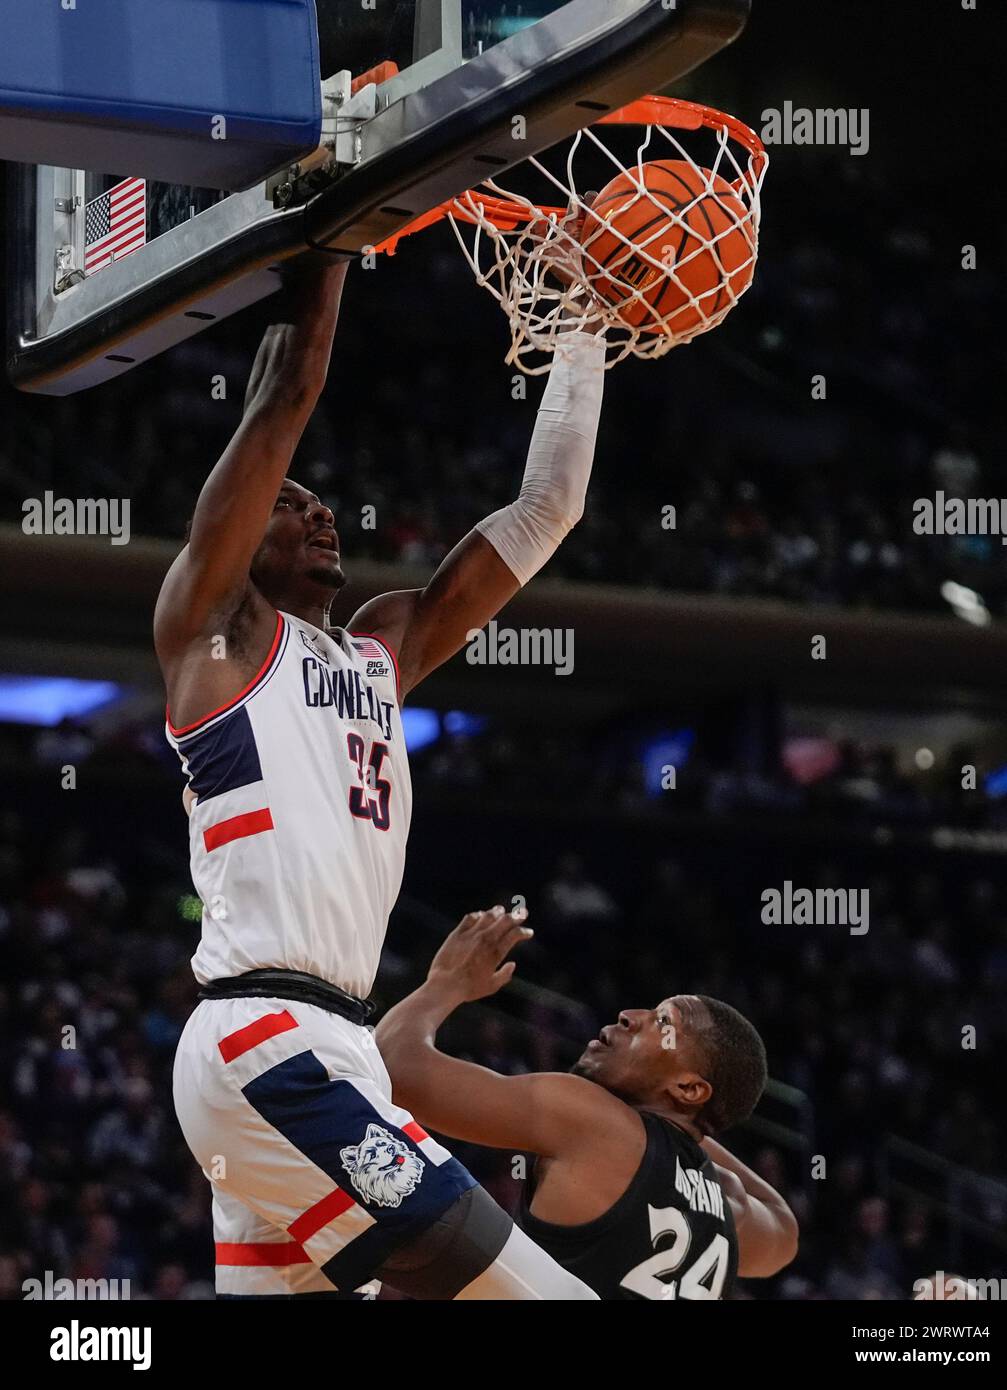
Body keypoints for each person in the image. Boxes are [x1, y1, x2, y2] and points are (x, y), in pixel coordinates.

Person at [155, 258, 607, 1298]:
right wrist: (333, 245)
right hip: (261, 1037)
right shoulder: (214, 638)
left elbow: (547, 508)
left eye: (325, 509)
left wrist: (583, 328)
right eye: (292, 505)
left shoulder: (378, 652)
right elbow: (283, 398)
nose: (320, 517)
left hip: (335, 1044)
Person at [376, 907, 799, 1299]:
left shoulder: (597, 1122)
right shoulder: (729, 1203)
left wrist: (445, 984)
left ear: (689, 1089)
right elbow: (785, 1228)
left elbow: (393, 1069)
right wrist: (695, 1126)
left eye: (663, 1022)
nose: (630, 1015)